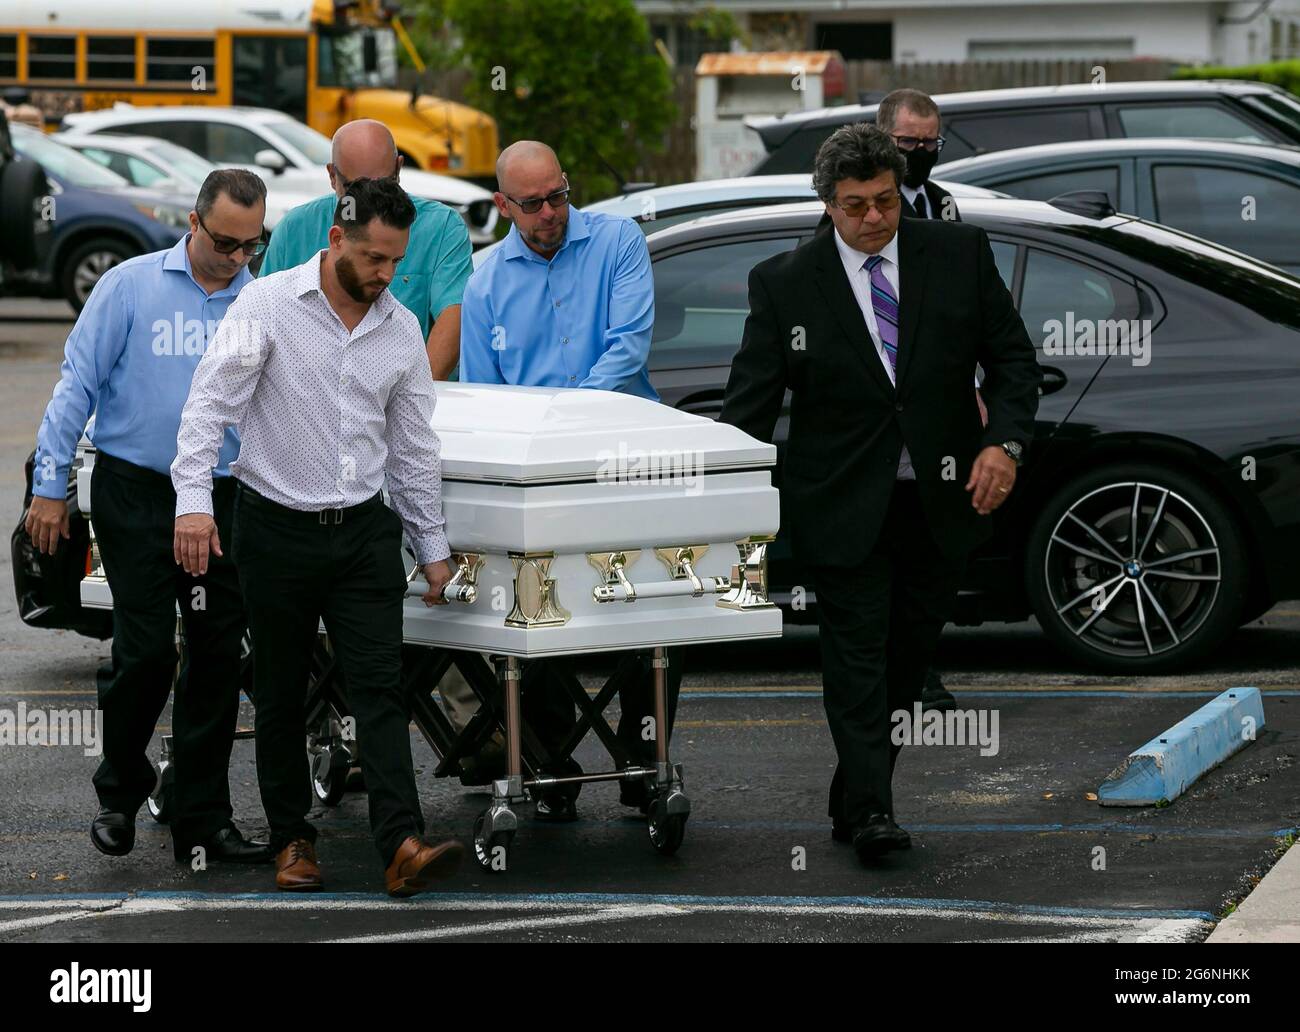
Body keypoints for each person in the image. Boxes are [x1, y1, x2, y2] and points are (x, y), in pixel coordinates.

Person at [719, 123, 1040, 864]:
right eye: (856, 205)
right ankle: (872, 813)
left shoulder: (958, 255)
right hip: (839, 506)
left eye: (887, 202)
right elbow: (750, 406)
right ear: (827, 204)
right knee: (856, 660)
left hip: (940, 501)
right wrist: (722, 496)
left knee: (907, 663)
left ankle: (854, 791)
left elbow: (1014, 362)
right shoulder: (786, 283)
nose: (874, 218)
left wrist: (1005, 444)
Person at [172, 177, 462, 896]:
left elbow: (414, 448)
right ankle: (293, 840)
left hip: (363, 532)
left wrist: (432, 548)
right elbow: (209, 406)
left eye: (396, 261)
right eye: (373, 258)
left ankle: (401, 843)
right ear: (337, 239)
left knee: (381, 688)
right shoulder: (267, 302)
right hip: (274, 528)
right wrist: (193, 503)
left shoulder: (397, 327)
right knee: (279, 694)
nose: (385, 275)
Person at [27, 169, 271, 865]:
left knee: (218, 652)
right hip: (136, 491)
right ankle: (122, 785)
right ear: (193, 223)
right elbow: (78, 381)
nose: (237, 258)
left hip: (221, 496)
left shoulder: (261, 299)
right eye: (225, 241)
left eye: (252, 245)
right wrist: (52, 486)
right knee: (147, 650)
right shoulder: (129, 285)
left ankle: (202, 815)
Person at [459, 140, 679, 818]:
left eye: (560, 194)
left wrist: (564, 422)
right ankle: (553, 764)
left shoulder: (617, 243)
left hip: (620, 457)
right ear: (503, 206)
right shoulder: (483, 279)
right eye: (534, 203)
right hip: (534, 471)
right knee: (533, 616)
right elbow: (480, 395)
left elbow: (628, 344)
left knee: (656, 610)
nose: (552, 211)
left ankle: (644, 760)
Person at [257, 117, 481, 766]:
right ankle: (332, 750)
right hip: (311, 464)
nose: (377, 197)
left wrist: (399, 405)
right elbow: (266, 333)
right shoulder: (300, 229)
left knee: (412, 622)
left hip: (401, 441)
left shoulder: (435, 226)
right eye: (360, 186)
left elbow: (450, 322)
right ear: (332, 184)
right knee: (313, 645)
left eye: (387, 181)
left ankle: (466, 739)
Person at [258, 119, 471, 379]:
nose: (370, 203)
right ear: (332, 176)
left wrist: (414, 397)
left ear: (399, 169)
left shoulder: (441, 227)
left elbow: (454, 319)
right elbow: (262, 322)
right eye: (354, 189)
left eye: (384, 186)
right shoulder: (294, 228)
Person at [876, 88, 959, 223]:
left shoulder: (944, 200)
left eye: (929, 141)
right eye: (908, 141)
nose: (921, 151)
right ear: (883, 140)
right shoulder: (873, 206)